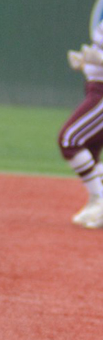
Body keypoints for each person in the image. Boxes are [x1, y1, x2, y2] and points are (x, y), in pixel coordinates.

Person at [60, 19, 103, 229]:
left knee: (70, 139)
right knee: (90, 149)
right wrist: (85, 64)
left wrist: (100, 60)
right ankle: (97, 201)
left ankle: (99, 198)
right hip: (95, 87)